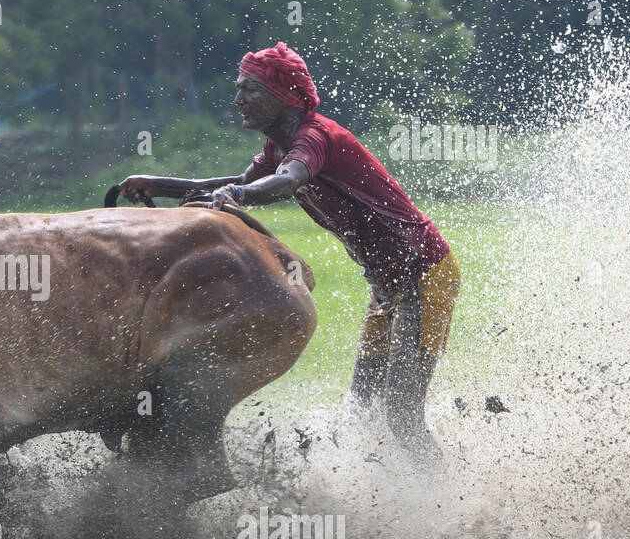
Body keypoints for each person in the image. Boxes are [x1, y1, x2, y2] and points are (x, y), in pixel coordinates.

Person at [120, 42, 460, 456]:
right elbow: (238, 183)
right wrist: (159, 184)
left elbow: (284, 182)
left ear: (282, 97)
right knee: (363, 407)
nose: (238, 99)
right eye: (240, 88)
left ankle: (447, 508)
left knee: (401, 416)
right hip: (387, 288)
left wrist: (238, 194)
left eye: (250, 90)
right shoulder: (277, 147)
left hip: (423, 274)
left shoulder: (315, 137)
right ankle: (382, 497)